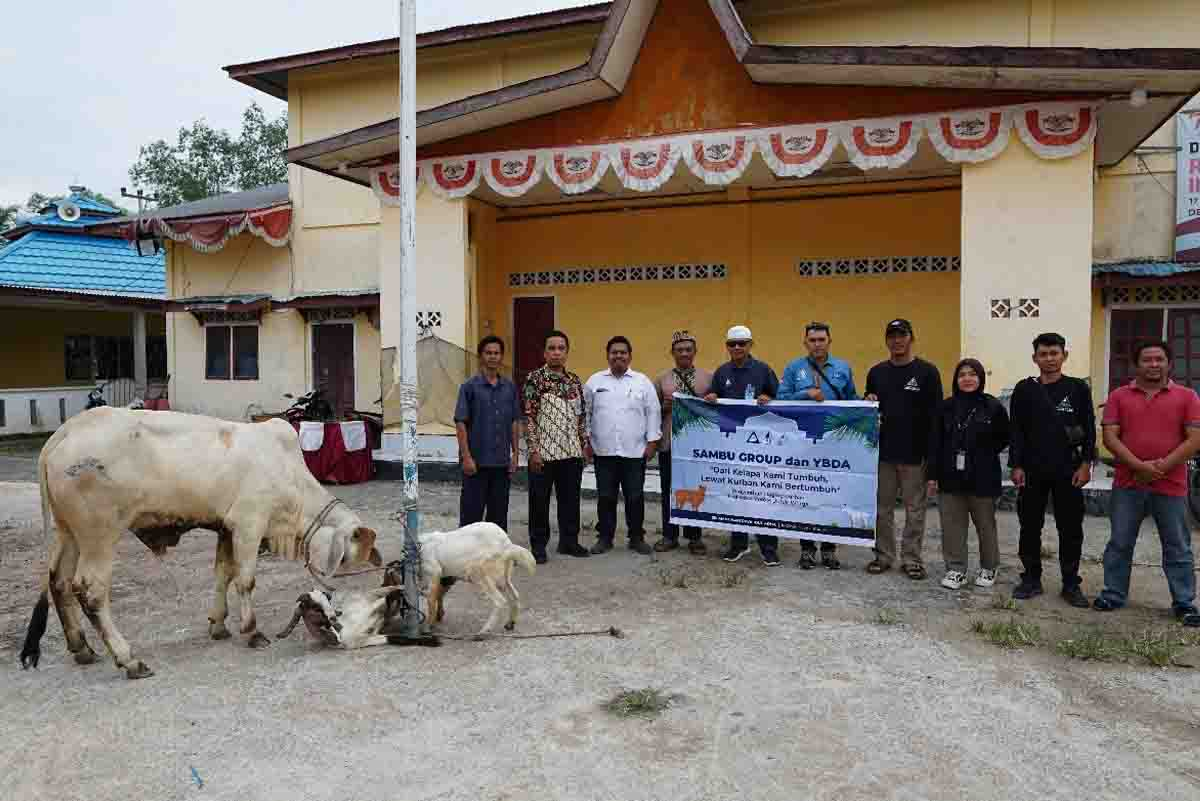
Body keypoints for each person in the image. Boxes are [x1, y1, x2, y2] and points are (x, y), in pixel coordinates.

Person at [1095, 341, 1200, 627]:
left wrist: (1160, 468)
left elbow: (1194, 439)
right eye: (1147, 360)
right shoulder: (1119, 396)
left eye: (1159, 359)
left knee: (1178, 545)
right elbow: (1110, 438)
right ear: (1136, 364)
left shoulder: (1187, 396)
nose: (1153, 365)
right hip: (1128, 485)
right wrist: (1139, 467)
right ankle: (1113, 594)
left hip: (1172, 485)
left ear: (1169, 363)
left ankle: (1184, 602)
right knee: (1119, 542)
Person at [1007, 333, 1096, 606]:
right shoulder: (1024, 389)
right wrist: (1016, 465)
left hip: (1068, 469)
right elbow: (1017, 430)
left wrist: (1086, 465)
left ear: (1064, 356)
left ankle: (1071, 583)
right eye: (1043, 354)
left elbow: (1089, 428)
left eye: (1054, 353)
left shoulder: (1078, 388)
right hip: (1032, 469)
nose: (1049, 359)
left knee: (1070, 528)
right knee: (1030, 525)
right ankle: (1031, 578)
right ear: (1035, 358)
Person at [864, 319, 943, 579]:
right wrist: (869, 400)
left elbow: (936, 420)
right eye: (892, 336)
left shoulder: (928, 373)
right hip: (883, 455)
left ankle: (912, 559)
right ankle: (883, 556)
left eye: (902, 335)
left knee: (915, 511)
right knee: (882, 510)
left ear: (911, 337)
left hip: (914, 455)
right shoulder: (876, 372)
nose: (897, 340)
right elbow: (869, 408)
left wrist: (933, 462)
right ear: (886, 340)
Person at [779, 321, 859, 570]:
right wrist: (805, 394)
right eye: (812, 340)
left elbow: (851, 399)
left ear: (829, 341)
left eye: (821, 339)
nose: (817, 344)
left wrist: (867, 402)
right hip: (803, 443)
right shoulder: (794, 368)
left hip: (834, 443)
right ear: (805, 343)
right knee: (806, 495)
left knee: (832, 496)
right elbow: (781, 399)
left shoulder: (843, 368)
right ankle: (806, 549)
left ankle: (829, 549)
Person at [926, 358, 1010, 590]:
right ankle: (956, 569)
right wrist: (932, 476)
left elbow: (1004, 436)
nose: (967, 379)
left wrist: (983, 453)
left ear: (980, 378)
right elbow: (935, 443)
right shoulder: (945, 407)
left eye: (973, 374)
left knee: (985, 525)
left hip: (983, 477)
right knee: (952, 526)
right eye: (962, 374)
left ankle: (989, 567)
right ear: (956, 379)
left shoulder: (992, 406)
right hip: (950, 477)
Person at [704, 325, 781, 566]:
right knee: (735, 494)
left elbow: (781, 399)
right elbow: (711, 399)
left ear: (750, 345)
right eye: (732, 344)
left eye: (742, 343)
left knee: (762, 495)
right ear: (727, 346)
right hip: (732, 447)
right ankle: (739, 543)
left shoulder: (763, 370)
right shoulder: (722, 371)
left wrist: (771, 399)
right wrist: (710, 397)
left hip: (760, 447)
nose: (737, 348)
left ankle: (768, 546)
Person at [584, 336, 662, 555]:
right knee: (606, 497)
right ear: (607, 355)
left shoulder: (642, 382)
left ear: (630, 356)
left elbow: (653, 412)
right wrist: (586, 440)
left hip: (634, 451)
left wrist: (652, 442)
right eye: (614, 352)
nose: (618, 356)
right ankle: (605, 538)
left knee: (635, 496)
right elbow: (586, 413)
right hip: (604, 450)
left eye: (623, 352)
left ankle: (636, 537)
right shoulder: (595, 382)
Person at [523, 330, 590, 564]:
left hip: (571, 453)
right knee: (539, 502)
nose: (556, 353)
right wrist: (533, 450)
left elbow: (580, 417)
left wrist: (584, 445)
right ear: (544, 352)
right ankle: (539, 545)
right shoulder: (535, 379)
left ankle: (569, 541)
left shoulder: (574, 381)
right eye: (552, 348)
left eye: (561, 348)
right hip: (544, 454)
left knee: (570, 500)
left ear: (567, 352)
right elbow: (529, 416)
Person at [653, 330, 714, 554]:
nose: (684, 353)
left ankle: (694, 537)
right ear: (672, 353)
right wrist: (664, 407)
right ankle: (669, 535)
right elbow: (651, 412)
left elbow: (716, 412)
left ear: (695, 352)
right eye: (679, 350)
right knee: (669, 490)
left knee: (694, 492)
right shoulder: (661, 379)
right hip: (670, 444)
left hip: (696, 447)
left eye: (688, 349)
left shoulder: (709, 378)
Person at [454, 335, 523, 531]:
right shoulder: (469, 387)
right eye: (488, 353)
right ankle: (467, 558)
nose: (493, 357)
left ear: (501, 357)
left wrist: (515, 454)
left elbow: (514, 422)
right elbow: (460, 423)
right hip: (476, 464)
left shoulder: (509, 387)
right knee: (471, 516)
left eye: (497, 353)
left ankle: (495, 558)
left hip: (501, 464)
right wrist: (466, 457)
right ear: (481, 356)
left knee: (498, 517)